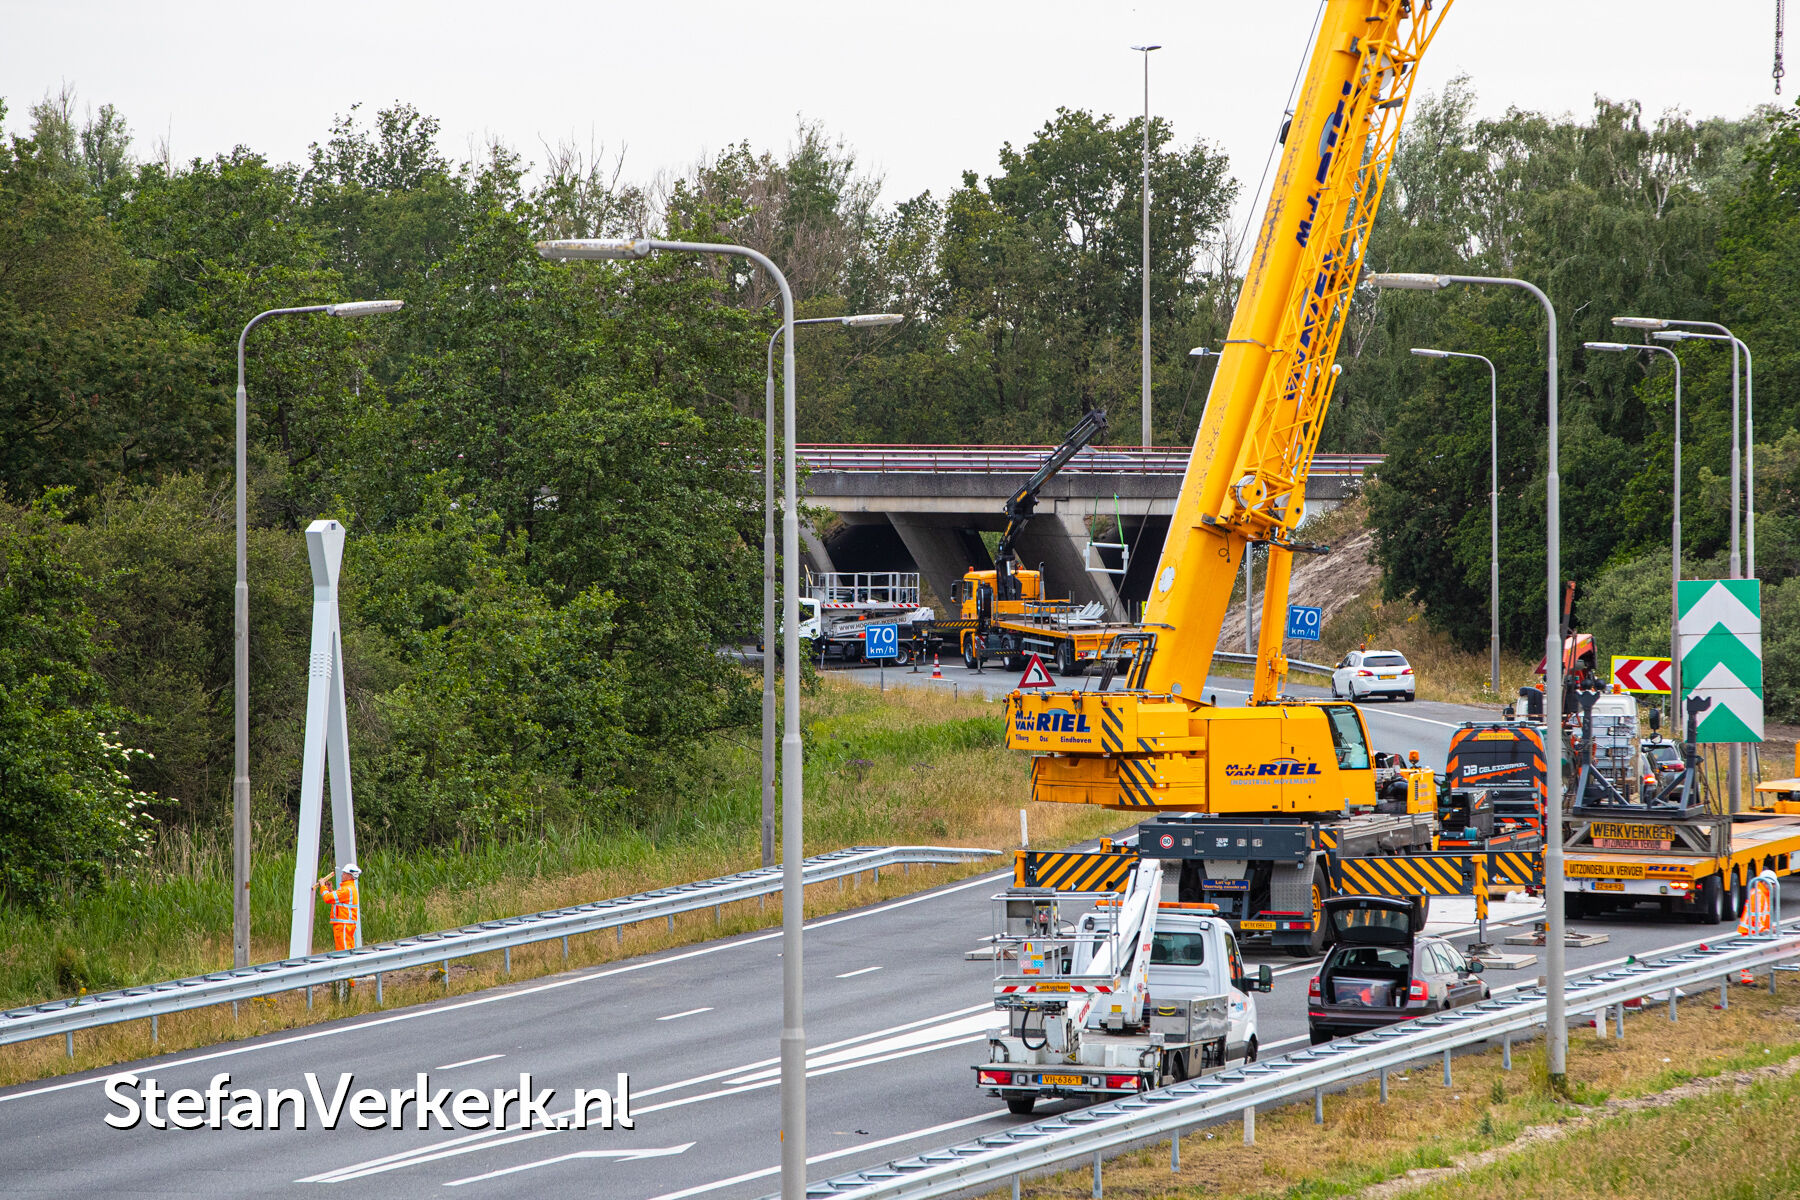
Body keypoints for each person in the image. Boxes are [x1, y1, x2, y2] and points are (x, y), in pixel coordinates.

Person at [316, 863, 361, 952]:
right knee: (348, 947)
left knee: (344, 950)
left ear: (349, 876)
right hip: (346, 924)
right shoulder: (349, 888)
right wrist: (330, 890)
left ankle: (346, 966)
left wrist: (323, 886)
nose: (342, 875)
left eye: (344, 873)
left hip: (343, 924)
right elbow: (338, 900)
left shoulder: (346, 890)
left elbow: (328, 898)